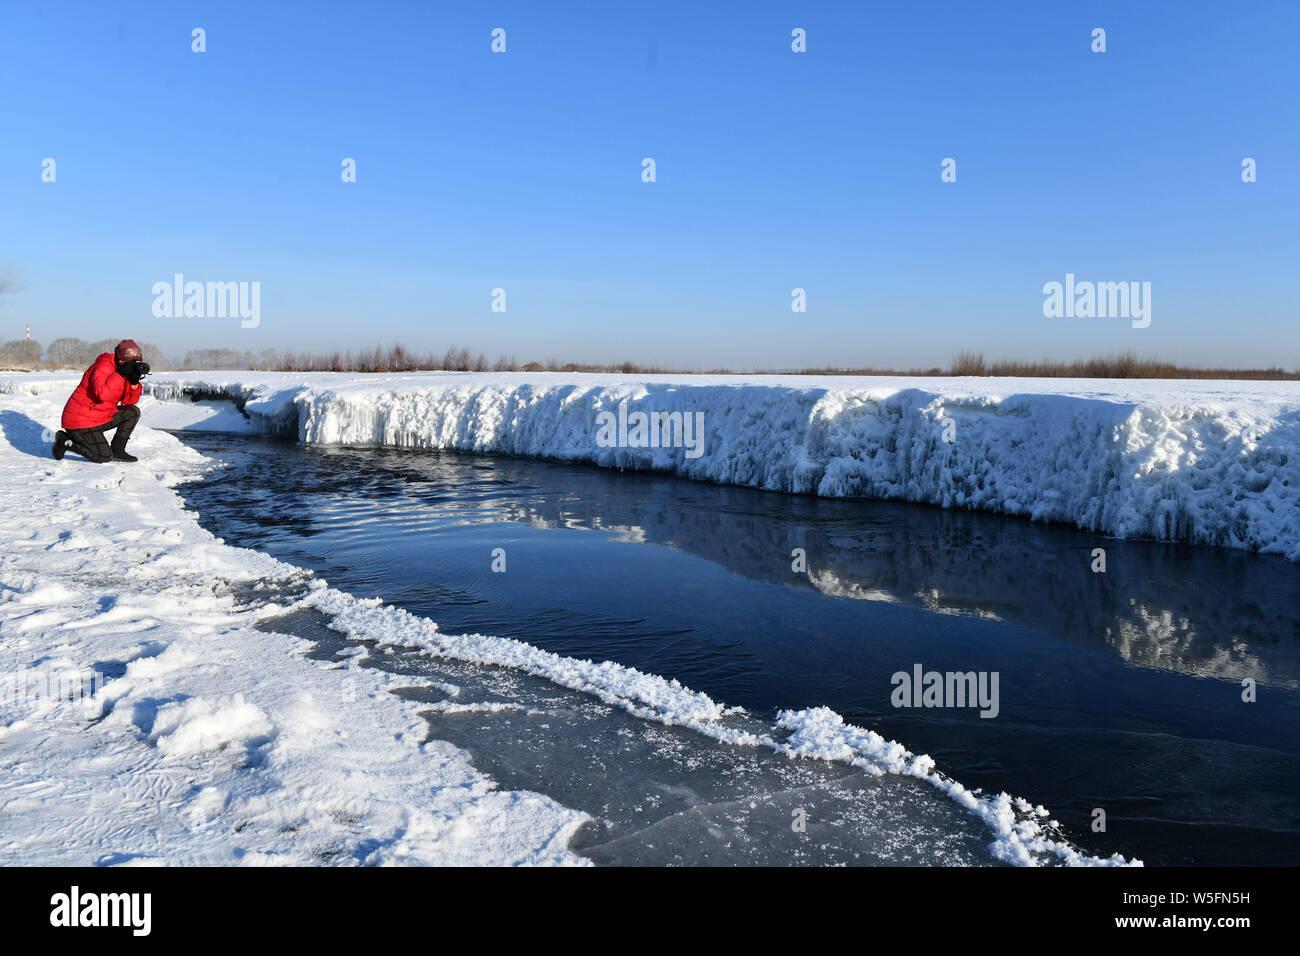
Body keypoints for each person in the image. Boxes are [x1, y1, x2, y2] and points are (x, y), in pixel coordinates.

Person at [52, 339, 150, 463]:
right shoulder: (103, 365)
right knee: (103, 456)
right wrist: (120, 373)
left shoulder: (125, 371)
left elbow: (130, 401)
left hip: (100, 417)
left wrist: (134, 382)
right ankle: (65, 441)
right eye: (130, 362)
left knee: (132, 411)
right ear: (121, 359)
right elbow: (102, 394)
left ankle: (118, 450)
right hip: (79, 420)